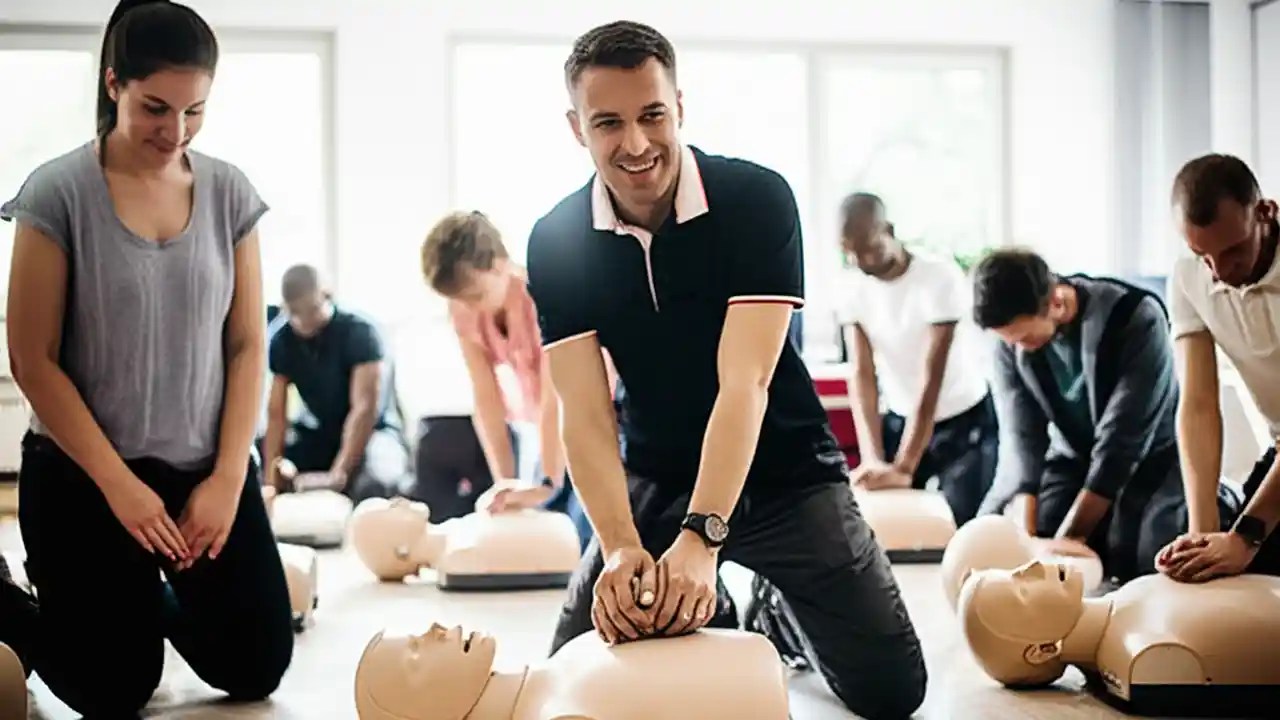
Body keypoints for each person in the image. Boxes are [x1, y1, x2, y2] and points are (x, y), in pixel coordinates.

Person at [525, 21, 926, 719]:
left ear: (680, 106)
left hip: (787, 474)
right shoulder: (556, 240)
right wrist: (620, 546)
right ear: (575, 128)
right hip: (653, 480)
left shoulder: (756, 200)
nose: (636, 144)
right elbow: (584, 414)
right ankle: (713, 591)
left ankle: (772, 600)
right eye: (608, 123)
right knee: (573, 675)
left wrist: (705, 535)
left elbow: (745, 383)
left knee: (891, 695)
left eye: (652, 115)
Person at [0, 1, 293, 716]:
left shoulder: (229, 192)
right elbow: (31, 358)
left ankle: (134, 592)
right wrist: (120, 489)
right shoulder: (58, 191)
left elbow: (249, 342)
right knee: (114, 690)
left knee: (255, 665)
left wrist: (229, 478)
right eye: (156, 108)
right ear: (113, 85)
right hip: (84, 478)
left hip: (200, 473)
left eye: (195, 110)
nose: (176, 131)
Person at [971, 248, 1239, 586]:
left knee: (1148, 554)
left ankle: (1224, 500)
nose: (1019, 349)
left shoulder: (1136, 317)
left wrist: (1064, 545)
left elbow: (1121, 443)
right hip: (1075, 457)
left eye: (1025, 338)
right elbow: (1022, 437)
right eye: (1011, 342)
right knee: (1037, 526)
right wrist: (1027, 541)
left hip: (1154, 455)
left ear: (1055, 302)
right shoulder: (1011, 344)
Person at [421, 211, 592, 548]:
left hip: (589, 413)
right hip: (545, 422)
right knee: (532, 515)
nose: (470, 307)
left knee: (579, 526)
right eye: (458, 300)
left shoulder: (546, 295)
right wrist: (506, 483)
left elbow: (553, 395)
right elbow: (485, 396)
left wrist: (547, 480)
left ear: (501, 265)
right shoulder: (464, 310)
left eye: (474, 295)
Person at [838, 191, 998, 525]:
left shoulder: (939, 277)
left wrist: (904, 467)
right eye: (849, 253)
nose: (860, 261)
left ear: (890, 231)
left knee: (961, 525)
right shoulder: (853, 288)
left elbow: (931, 379)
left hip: (961, 418)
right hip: (901, 416)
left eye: (867, 248)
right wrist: (874, 461)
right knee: (893, 523)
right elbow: (862, 375)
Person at [1158, 153, 1280, 583]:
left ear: (1265, 213)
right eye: (1202, 254)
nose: (1219, 271)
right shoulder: (1190, 277)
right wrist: (1202, 533)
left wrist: (1246, 537)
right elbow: (1198, 405)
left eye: (1232, 251)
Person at [261, 263, 413, 505]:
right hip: (319, 434)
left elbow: (364, 410)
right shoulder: (281, 339)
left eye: (309, 311)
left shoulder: (361, 332)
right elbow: (276, 415)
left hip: (374, 432)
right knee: (253, 462)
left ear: (326, 296)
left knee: (376, 483)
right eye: (294, 314)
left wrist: (338, 474)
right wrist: (271, 478)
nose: (302, 321)